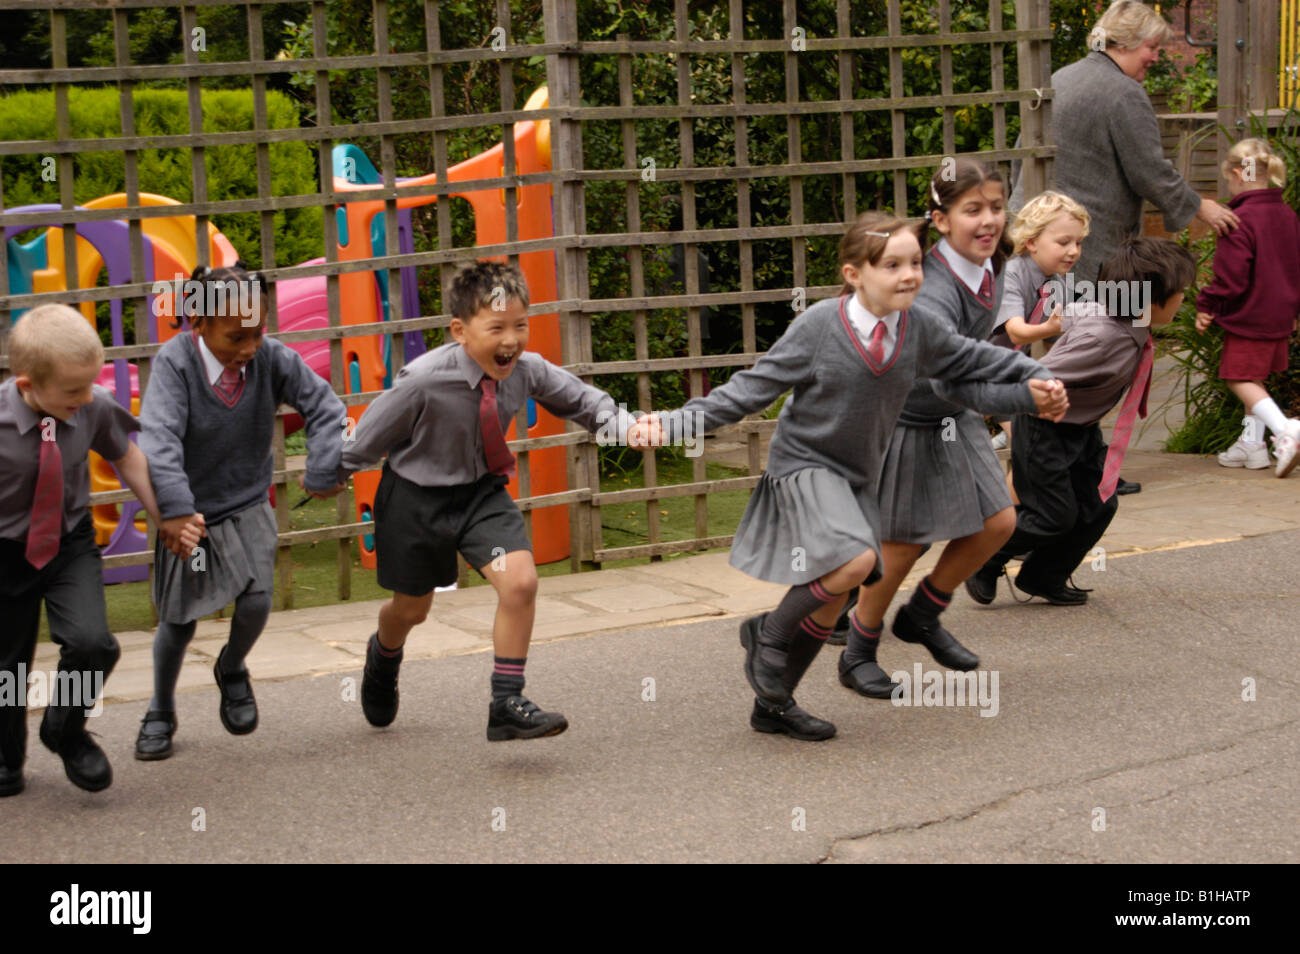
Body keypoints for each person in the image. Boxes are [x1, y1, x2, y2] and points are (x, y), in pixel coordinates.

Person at [631, 211, 1067, 741]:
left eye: (914, 264)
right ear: (855, 274)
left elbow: (971, 364)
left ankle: (774, 702)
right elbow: (748, 391)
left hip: (860, 474)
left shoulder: (919, 328)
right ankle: (766, 633)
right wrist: (673, 424)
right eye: (892, 265)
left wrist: (1034, 382)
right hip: (806, 465)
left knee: (840, 587)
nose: (909, 275)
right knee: (856, 560)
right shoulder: (820, 326)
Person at [340, 261, 643, 741]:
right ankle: (384, 655)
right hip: (415, 498)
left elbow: (583, 401)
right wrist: (330, 473)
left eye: (520, 326)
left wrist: (625, 426)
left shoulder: (527, 371)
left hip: (480, 493)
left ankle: (506, 701)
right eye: (497, 327)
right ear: (460, 330)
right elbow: (367, 438)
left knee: (519, 583)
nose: (511, 340)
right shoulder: (421, 379)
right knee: (411, 611)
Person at [839, 161, 1066, 700]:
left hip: (950, 413)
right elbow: (950, 384)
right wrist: (1024, 398)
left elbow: (975, 362)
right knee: (901, 546)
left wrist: (1024, 383)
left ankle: (921, 615)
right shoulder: (934, 290)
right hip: (904, 416)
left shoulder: (989, 265)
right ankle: (857, 651)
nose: (989, 220)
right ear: (940, 220)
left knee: (998, 522)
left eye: (995, 207)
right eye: (973, 211)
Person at [1010, 0, 1239, 496]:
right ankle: (1076, 467)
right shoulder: (1123, 93)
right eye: (1153, 47)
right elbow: (1149, 170)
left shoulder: (1062, 77)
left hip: (1038, 234)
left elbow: (1023, 154)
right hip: (1093, 247)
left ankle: (1073, 464)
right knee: (1115, 339)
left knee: (1061, 344)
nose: (1155, 57)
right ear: (1124, 44)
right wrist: (1203, 207)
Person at [137, 263, 347, 760]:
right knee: (180, 619)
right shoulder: (175, 365)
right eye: (237, 337)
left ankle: (231, 667)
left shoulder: (271, 359)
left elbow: (324, 406)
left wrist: (320, 469)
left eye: (258, 333)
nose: (250, 347)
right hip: (190, 510)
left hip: (248, 501)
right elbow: (159, 439)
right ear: (199, 324)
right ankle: (160, 707)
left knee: (256, 600)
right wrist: (175, 509)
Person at [1, 304, 201, 795]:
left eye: (90, 385)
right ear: (27, 385)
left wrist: (167, 515)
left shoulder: (91, 404)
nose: (86, 397)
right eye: (72, 390)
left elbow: (127, 456)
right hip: (5, 552)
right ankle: (6, 758)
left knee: (94, 644)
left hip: (68, 543)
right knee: (7, 667)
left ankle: (65, 728)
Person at [969, 237, 1197, 605]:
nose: (1184, 297)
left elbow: (1077, 312)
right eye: (1180, 291)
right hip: (1044, 428)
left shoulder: (1118, 316)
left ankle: (1043, 576)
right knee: (1052, 516)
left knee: (1099, 505)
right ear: (1150, 298)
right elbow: (1034, 373)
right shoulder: (1104, 337)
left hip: (1081, 429)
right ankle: (982, 556)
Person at [1194, 138, 1300, 477]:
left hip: (1250, 314)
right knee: (1255, 378)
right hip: (1281, 312)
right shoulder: (1287, 214)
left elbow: (1231, 277)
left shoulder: (1237, 218)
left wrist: (1208, 303)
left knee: (1238, 377)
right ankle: (1252, 445)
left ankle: (1286, 430)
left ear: (1238, 172)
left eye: (1228, 178)